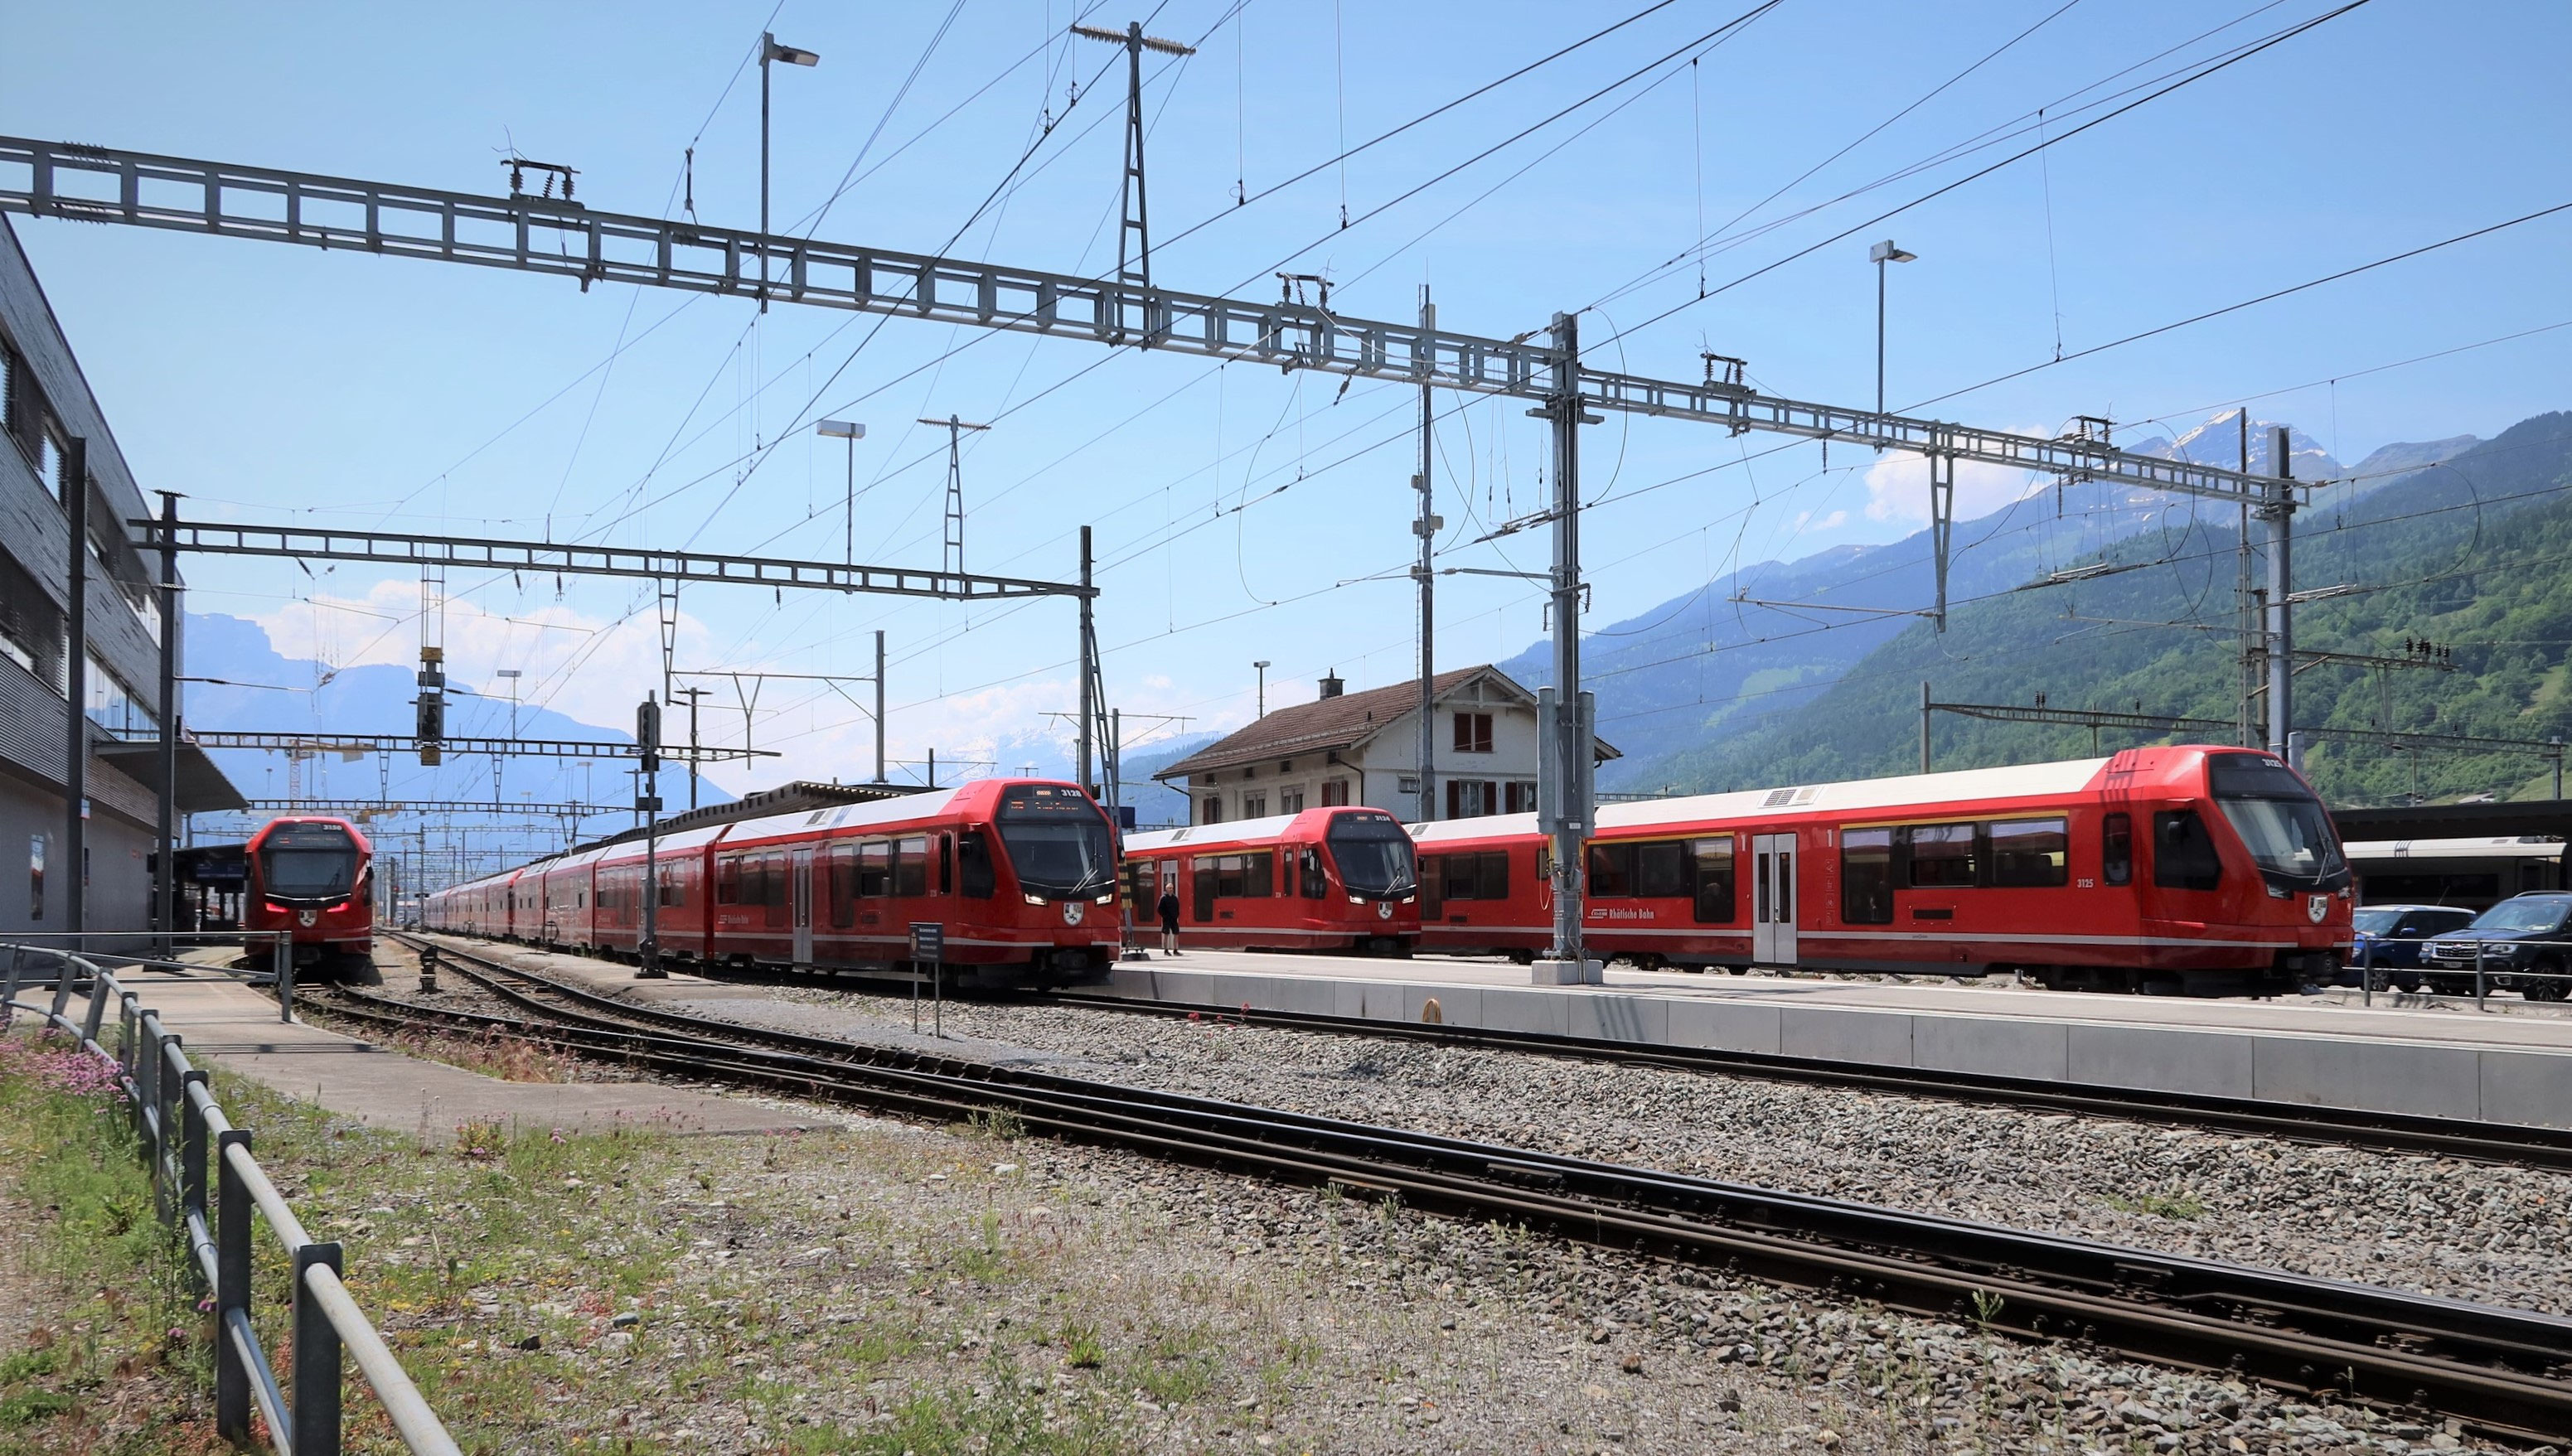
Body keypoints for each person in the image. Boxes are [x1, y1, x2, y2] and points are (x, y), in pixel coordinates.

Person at [1157, 884, 1183, 955]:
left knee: (1176, 934)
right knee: (1166, 934)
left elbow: (1178, 907)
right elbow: (1159, 909)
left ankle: (1175, 950)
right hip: (1166, 919)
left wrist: (1177, 915)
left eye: (1172, 888)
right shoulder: (1163, 898)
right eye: (1169, 888)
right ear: (1166, 889)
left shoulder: (1175, 898)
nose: (1171, 889)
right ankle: (1166, 951)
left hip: (1174, 919)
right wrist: (1164, 916)